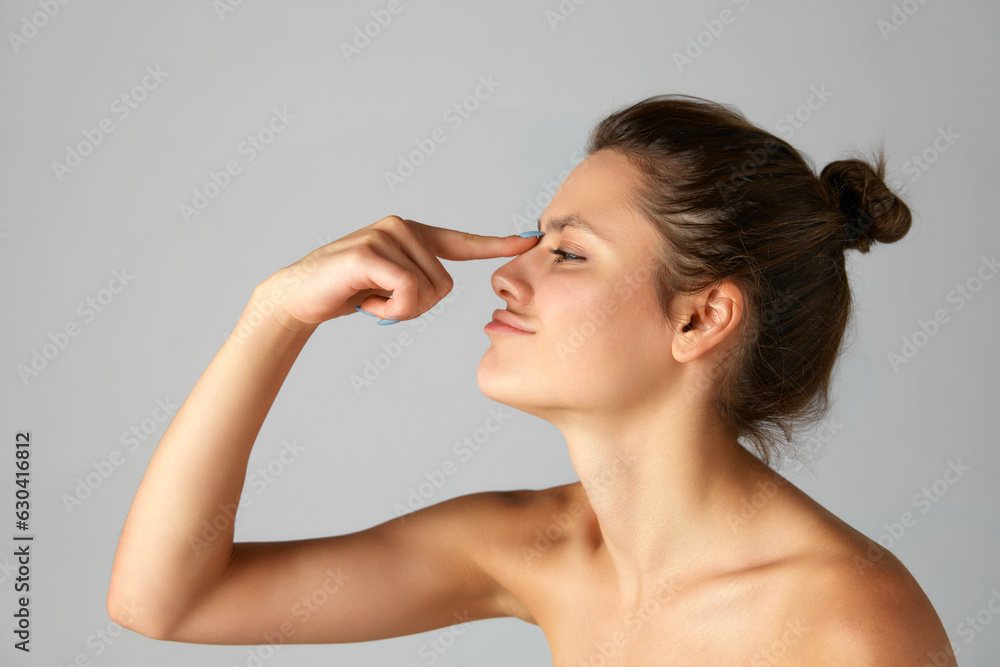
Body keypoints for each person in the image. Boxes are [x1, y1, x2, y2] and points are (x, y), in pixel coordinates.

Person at [107, 94, 956, 665]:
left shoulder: (848, 623)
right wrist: (276, 314)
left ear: (699, 318)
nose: (508, 277)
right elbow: (164, 600)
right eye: (536, 238)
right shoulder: (536, 550)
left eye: (569, 252)